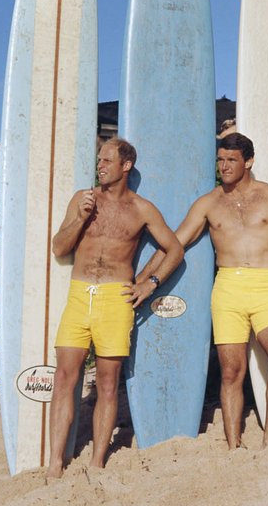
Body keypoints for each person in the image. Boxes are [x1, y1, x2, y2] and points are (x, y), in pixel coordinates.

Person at [143, 133, 268, 448]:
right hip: (228, 287)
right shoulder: (209, 202)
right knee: (232, 369)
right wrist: (145, 278)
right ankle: (234, 445)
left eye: (231, 160)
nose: (224, 166)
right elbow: (175, 242)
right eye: (220, 160)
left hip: (267, 284)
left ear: (249, 161)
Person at [46, 137, 183, 478]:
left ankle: (97, 462)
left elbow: (174, 249)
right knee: (65, 377)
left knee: (108, 383)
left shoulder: (141, 209)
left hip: (115, 300)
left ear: (126, 166)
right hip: (79, 295)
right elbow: (59, 248)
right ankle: (54, 463)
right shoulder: (83, 198)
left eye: (107, 160)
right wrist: (80, 218)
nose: (100, 165)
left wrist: (148, 285)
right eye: (98, 160)